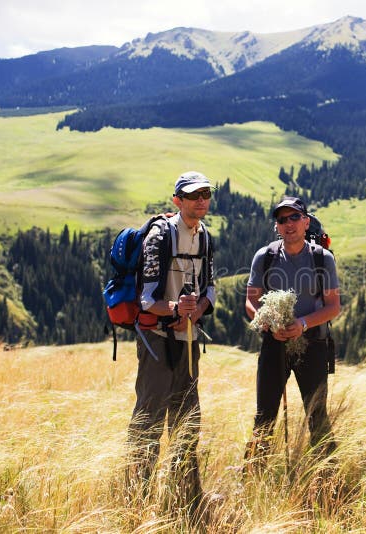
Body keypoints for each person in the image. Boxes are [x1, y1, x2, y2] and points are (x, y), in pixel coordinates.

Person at [127, 171, 216, 507]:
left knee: (188, 419)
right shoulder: (160, 236)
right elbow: (146, 299)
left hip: (188, 338)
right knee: (149, 417)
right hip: (157, 338)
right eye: (194, 195)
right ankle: (137, 495)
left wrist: (198, 308)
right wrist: (176, 308)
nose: (201, 200)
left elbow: (211, 288)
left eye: (206, 193)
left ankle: (187, 495)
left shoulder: (205, 236)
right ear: (178, 200)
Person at [244, 196, 341, 464]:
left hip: (313, 344)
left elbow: (333, 306)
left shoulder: (323, 259)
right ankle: (250, 479)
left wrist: (303, 324)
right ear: (277, 226)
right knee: (264, 415)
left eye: (295, 217)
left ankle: (328, 481)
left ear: (306, 222)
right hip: (274, 344)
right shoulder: (265, 257)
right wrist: (267, 323)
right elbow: (251, 301)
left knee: (317, 414)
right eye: (282, 219)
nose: (289, 224)